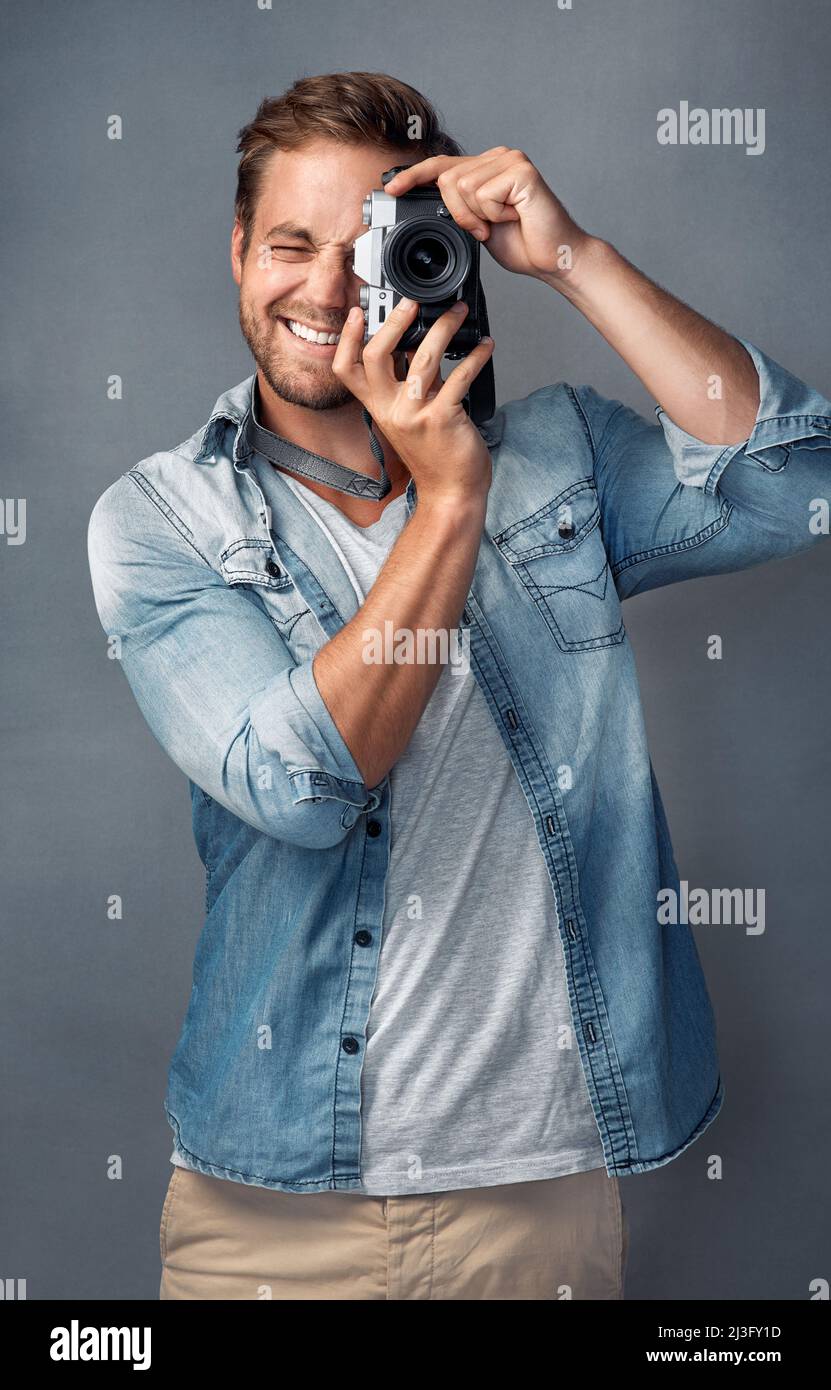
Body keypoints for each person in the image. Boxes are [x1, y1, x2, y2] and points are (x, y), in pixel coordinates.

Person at [87, 71, 830, 1301]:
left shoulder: (557, 458)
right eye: (290, 244)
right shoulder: (162, 521)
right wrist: (451, 496)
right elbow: (304, 785)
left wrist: (578, 257)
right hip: (272, 1209)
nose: (326, 292)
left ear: (441, 259)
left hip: (536, 1195)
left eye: (370, 249)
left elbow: (797, 485)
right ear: (236, 252)